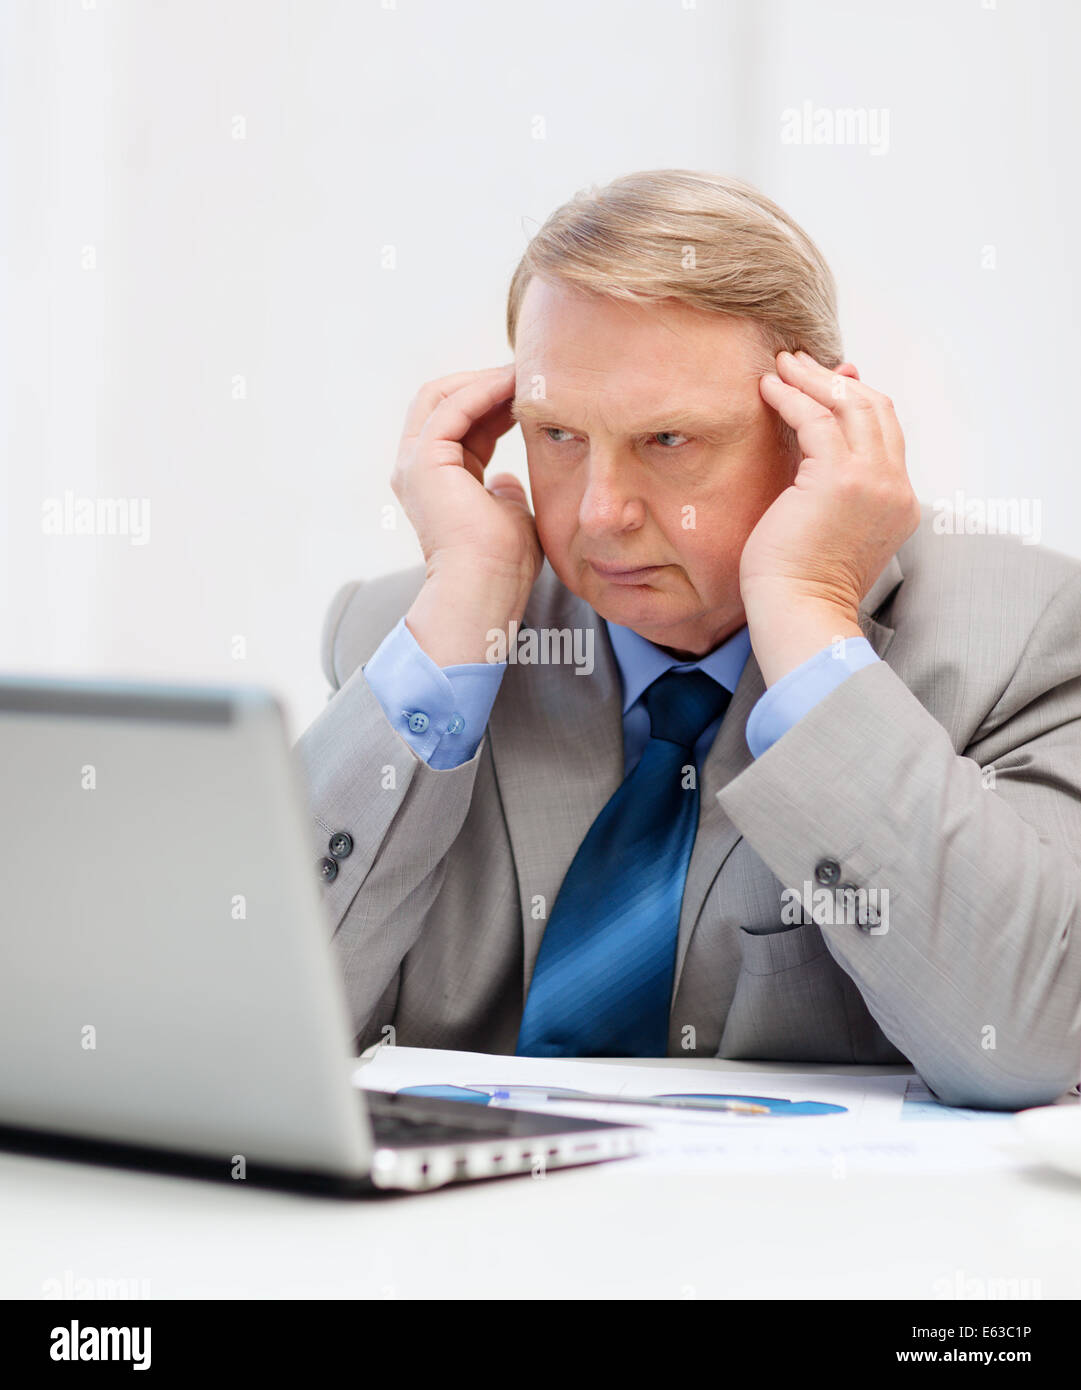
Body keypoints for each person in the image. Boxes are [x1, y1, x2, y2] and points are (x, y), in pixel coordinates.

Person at [295, 169, 1081, 1108]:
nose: (599, 514)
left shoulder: (1023, 638)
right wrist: (462, 604)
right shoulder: (417, 639)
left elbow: (1024, 1046)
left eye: (668, 440)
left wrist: (808, 613)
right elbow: (242, 1027)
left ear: (816, 428)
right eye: (557, 435)